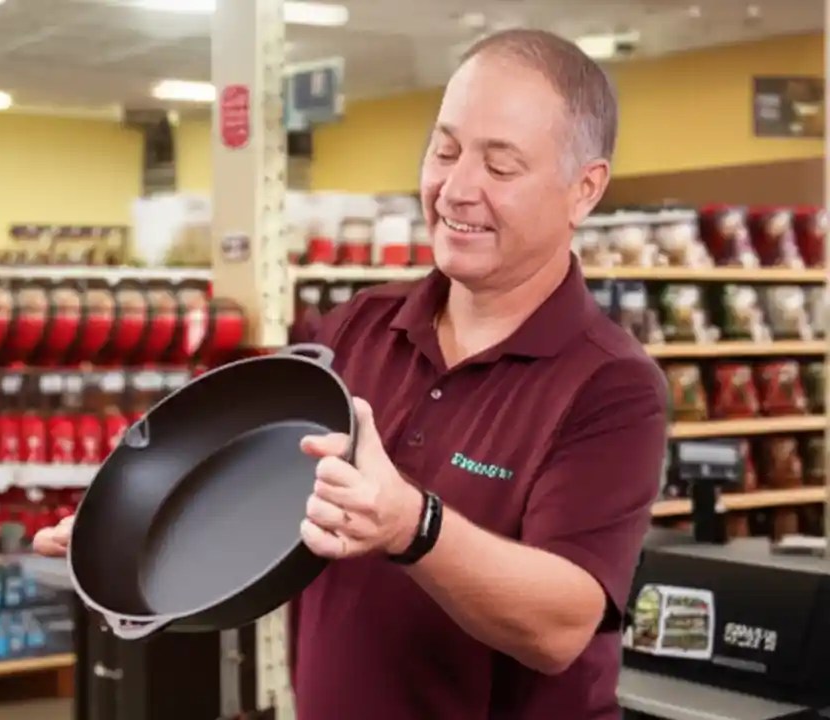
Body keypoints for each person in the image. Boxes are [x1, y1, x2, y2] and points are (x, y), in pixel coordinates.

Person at [34, 27, 668, 720]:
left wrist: (412, 526)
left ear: (584, 189)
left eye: (501, 165)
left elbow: (561, 626)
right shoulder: (361, 327)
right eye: (445, 149)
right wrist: (134, 539)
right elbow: (264, 502)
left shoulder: (612, 386)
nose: (456, 188)